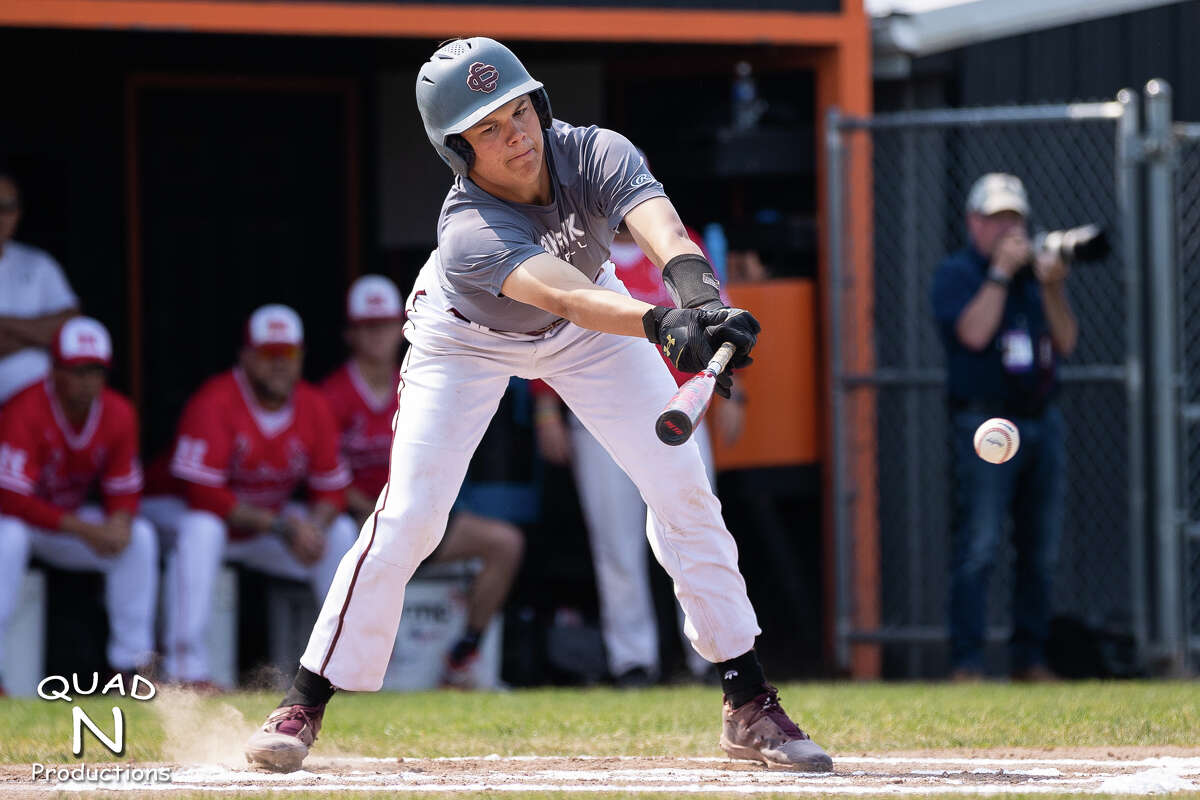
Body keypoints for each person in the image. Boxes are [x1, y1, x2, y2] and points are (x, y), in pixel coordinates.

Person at [244, 37, 831, 774]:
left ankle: (747, 701)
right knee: (414, 514)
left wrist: (701, 302)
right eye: (489, 128)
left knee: (683, 488)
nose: (516, 135)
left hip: (594, 327)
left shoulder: (592, 151)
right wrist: (661, 323)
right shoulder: (467, 231)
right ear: (458, 149)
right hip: (466, 340)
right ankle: (306, 699)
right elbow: (564, 295)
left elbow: (663, 229)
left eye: (519, 111)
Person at [531, 224, 744, 686]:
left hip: (678, 408)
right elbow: (546, 329)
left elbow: (719, 320)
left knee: (693, 529)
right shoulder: (572, 247)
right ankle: (632, 660)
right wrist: (546, 411)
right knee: (616, 543)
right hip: (599, 411)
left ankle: (714, 657)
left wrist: (734, 392)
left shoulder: (675, 243)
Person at [321, 274, 523, 688]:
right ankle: (334, 671)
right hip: (361, 521)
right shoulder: (331, 396)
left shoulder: (420, 377)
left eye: (384, 325)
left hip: (419, 515)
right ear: (350, 333)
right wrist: (371, 506)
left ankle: (462, 656)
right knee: (340, 537)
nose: (378, 336)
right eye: (367, 326)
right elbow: (322, 478)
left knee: (505, 542)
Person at [160, 304, 357, 687]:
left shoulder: (312, 404)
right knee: (201, 529)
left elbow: (332, 491)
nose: (281, 364)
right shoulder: (215, 399)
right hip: (181, 511)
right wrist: (283, 526)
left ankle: (343, 666)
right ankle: (186, 669)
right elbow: (203, 494)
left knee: (338, 532)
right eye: (270, 354)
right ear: (247, 356)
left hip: (264, 526)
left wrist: (311, 529)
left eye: (290, 354)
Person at [930, 173, 1076, 682]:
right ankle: (967, 663)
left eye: (1014, 219)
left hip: (1041, 420)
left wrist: (1052, 286)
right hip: (985, 421)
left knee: (1041, 549)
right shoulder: (958, 273)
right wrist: (998, 274)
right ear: (974, 222)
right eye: (996, 219)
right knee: (981, 544)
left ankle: (1030, 660)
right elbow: (972, 334)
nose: (1007, 230)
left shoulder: (1035, 277)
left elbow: (1066, 340)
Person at [0, 318, 157, 694]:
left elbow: (123, 489)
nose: (88, 380)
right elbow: (11, 498)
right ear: (54, 370)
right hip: (22, 521)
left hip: (64, 523)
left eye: (96, 370)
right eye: (78, 370)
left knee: (139, 537)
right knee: (10, 536)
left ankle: (131, 669)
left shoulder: (118, 411)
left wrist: (119, 523)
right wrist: (88, 530)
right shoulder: (26, 408)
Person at [0, 169, 80, 407]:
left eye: (8, 207)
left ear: (18, 214)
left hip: (37, 412)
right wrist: (36, 333)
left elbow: (69, 328)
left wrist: (4, 323)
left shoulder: (39, 264)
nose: (1, 216)